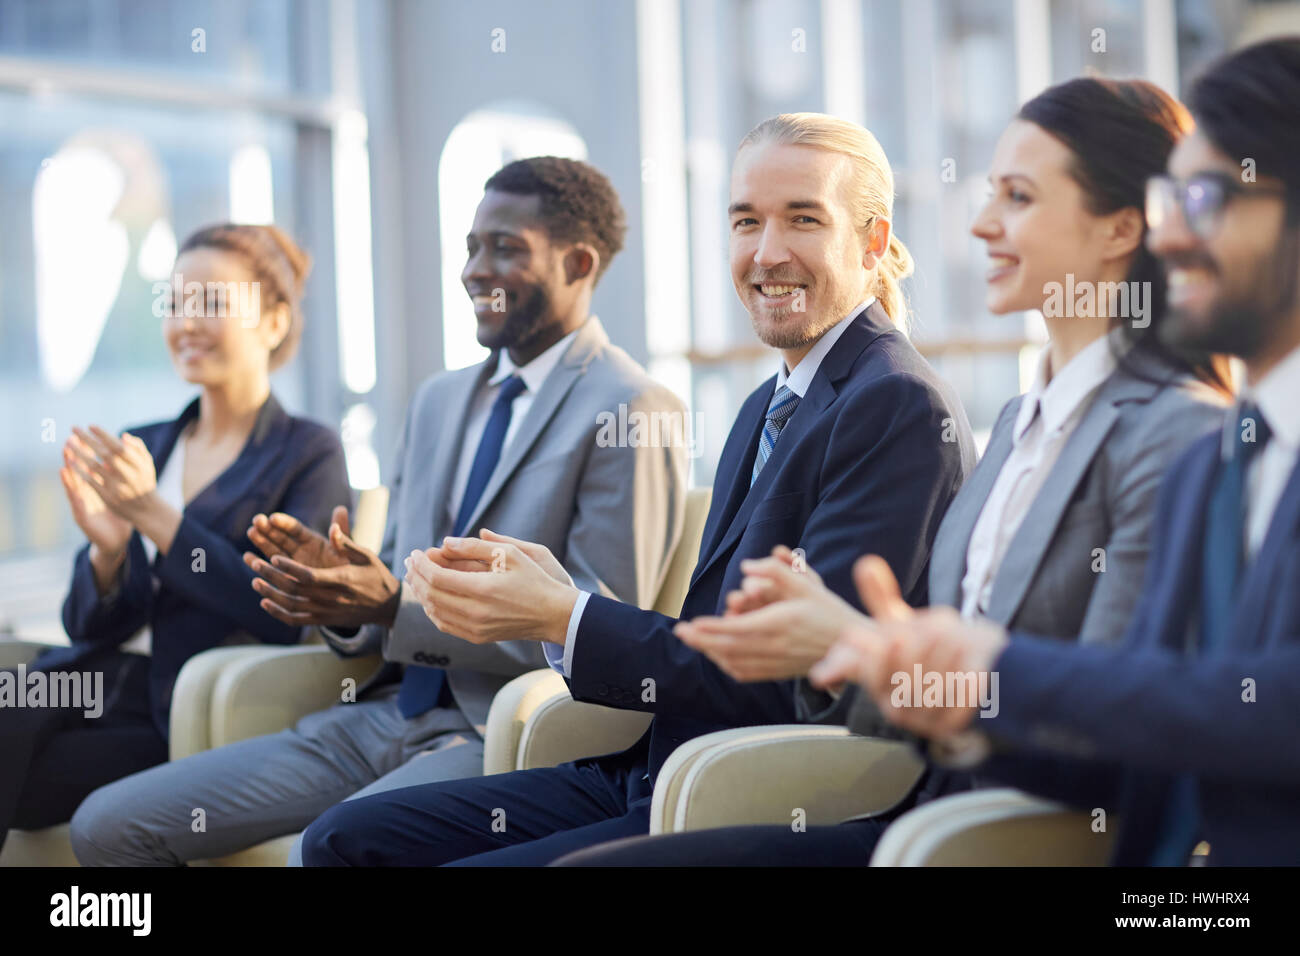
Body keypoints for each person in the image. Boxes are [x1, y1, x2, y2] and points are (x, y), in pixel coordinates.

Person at [549, 75, 1235, 867]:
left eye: (1018, 197)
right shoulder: (1021, 421)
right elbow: (892, 701)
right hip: (914, 812)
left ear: (1120, 228)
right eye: (990, 194)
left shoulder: (1175, 431)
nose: (980, 224)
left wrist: (866, 649)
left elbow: (1115, 744)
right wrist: (861, 654)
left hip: (982, 839)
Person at [300, 112, 977, 866]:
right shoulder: (769, 404)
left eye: (803, 220)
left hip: (750, 785)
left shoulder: (895, 404)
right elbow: (717, 639)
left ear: (873, 241)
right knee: (342, 841)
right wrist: (559, 605)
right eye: (746, 221)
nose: (766, 253)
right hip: (654, 768)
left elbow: (791, 680)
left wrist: (566, 614)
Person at [70, 157, 689, 866]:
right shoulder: (437, 400)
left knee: (326, 849)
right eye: (470, 248)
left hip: (502, 727)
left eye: (505, 248)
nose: (474, 270)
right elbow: (388, 590)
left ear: (579, 263)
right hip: (381, 709)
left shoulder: (635, 409)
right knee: (109, 826)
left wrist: (394, 604)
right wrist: (341, 594)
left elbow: (598, 626)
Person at [814, 36, 1300, 867]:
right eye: (1169, 200)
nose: (1170, 235)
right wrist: (950, 700)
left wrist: (998, 667)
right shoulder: (1209, 475)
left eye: (1207, 198)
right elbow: (1130, 746)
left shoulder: (1176, 439)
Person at [1, 223, 350, 850]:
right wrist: (108, 550)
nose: (187, 321)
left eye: (212, 302)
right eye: (175, 303)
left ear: (273, 321)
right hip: (94, 680)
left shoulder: (306, 452)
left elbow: (286, 613)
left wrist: (154, 515)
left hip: (185, 708)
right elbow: (87, 625)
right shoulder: (149, 442)